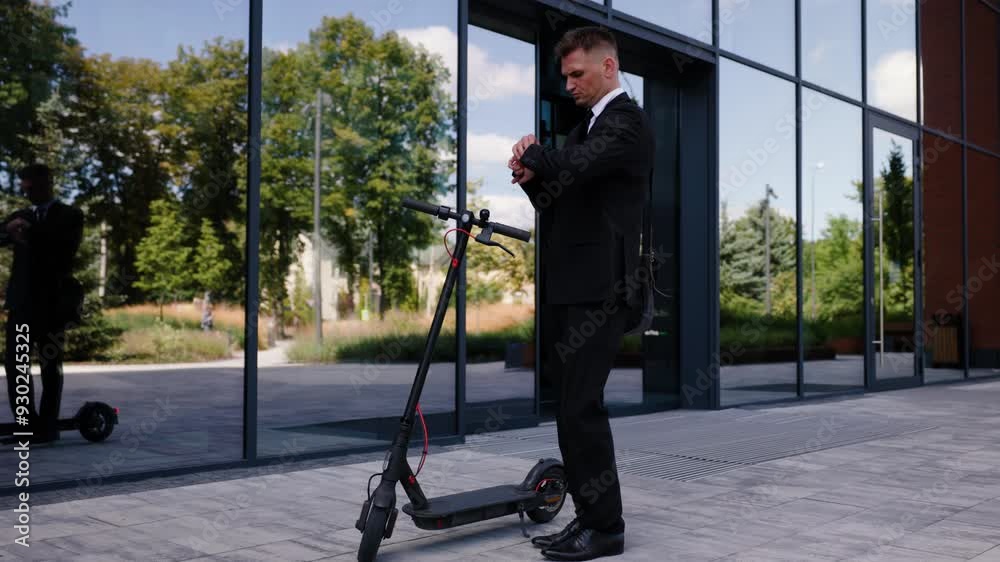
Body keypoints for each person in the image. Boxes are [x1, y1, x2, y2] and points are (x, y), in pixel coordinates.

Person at [509, 27, 655, 561]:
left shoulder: (626, 124)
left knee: (581, 409)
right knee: (570, 410)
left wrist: (538, 152)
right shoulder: (584, 130)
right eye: (564, 76)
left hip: (603, 292)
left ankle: (606, 528)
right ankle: (589, 521)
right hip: (571, 288)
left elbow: (575, 167)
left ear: (609, 68)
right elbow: (557, 197)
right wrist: (529, 175)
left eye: (577, 74)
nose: (568, 84)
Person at [1, 164, 84, 444]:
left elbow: (64, 250)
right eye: (24, 186)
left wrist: (28, 232)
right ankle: (26, 424)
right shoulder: (20, 216)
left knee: (50, 366)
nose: (26, 191)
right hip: (21, 306)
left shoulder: (70, 215)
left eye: (31, 186)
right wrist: (9, 229)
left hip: (52, 306)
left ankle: (48, 428)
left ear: (47, 183)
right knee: (16, 366)